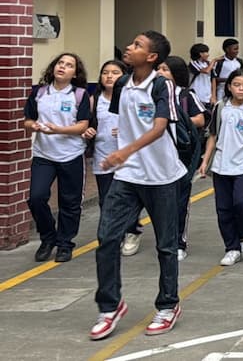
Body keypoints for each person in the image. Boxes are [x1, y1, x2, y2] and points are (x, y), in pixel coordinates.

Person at [90, 31, 186, 341]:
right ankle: (110, 306)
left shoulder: (162, 85)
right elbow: (124, 122)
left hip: (162, 177)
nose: (129, 49)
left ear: (152, 57)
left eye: (136, 46)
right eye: (131, 44)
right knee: (106, 238)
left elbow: (159, 128)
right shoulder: (121, 84)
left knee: (166, 245)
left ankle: (168, 306)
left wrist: (125, 150)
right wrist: (119, 153)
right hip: (127, 176)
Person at [24, 52, 92, 263]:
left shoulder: (79, 95)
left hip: (71, 154)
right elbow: (28, 120)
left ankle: (65, 243)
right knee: (36, 197)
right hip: (44, 155)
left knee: (69, 202)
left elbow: (83, 125)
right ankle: (48, 238)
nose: (62, 67)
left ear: (75, 73)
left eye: (69, 65)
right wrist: (34, 126)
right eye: (60, 63)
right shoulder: (39, 93)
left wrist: (59, 130)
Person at [198, 69, 243, 266]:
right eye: (237, 85)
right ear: (229, 86)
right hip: (221, 166)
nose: (241, 89)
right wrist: (205, 161)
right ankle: (231, 247)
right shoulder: (221, 107)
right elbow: (213, 135)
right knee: (223, 209)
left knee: (239, 203)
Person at [155, 56, 208, 261]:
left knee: (179, 201)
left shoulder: (185, 95)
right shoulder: (151, 96)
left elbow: (200, 119)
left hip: (181, 156)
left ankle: (179, 242)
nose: (160, 72)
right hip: (156, 156)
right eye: (158, 69)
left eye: (166, 69)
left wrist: (175, 120)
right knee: (160, 202)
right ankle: (164, 239)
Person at [87, 59, 129, 221]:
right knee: (105, 200)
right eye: (105, 73)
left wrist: (127, 130)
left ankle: (130, 231)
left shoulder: (130, 98)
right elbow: (85, 123)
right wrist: (87, 131)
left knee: (126, 199)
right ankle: (108, 237)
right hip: (103, 157)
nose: (109, 76)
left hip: (127, 158)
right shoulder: (94, 99)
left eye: (115, 73)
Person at [210, 38, 242, 106]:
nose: (237, 51)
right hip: (221, 92)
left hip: (235, 92)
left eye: (237, 49)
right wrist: (229, 79)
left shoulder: (239, 61)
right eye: (235, 49)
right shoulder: (220, 62)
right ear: (227, 49)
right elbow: (214, 78)